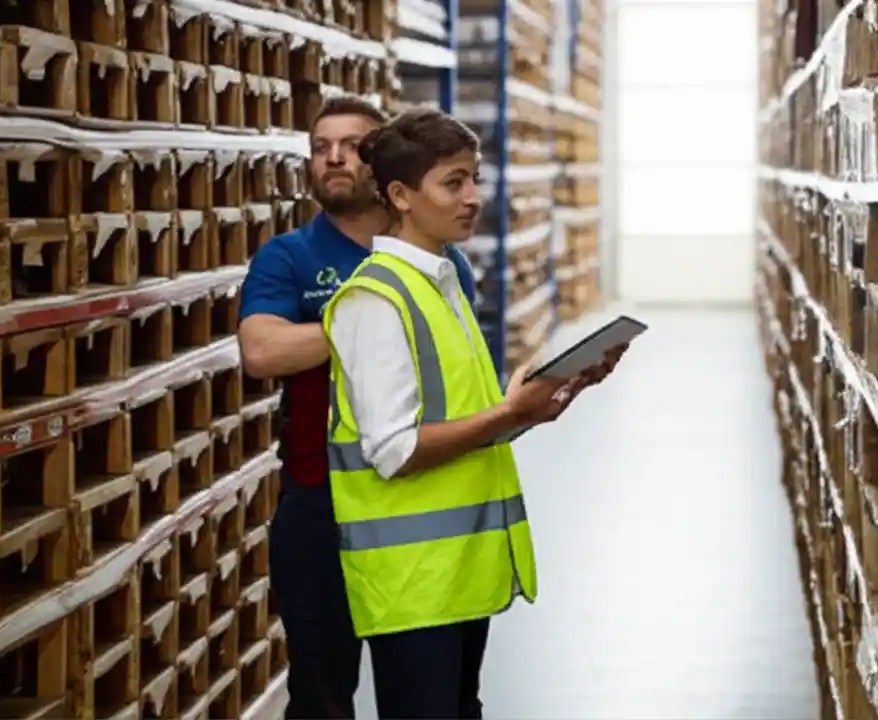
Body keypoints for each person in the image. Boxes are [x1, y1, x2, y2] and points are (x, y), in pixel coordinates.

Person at [320, 108, 625, 718]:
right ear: (401, 196)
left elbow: (462, 412)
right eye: (452, 183)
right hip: (412, 582)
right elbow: (394, 449)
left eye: (474, 179)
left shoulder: (443, 282)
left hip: (457, 575)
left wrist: (542, 398)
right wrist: (511, 412)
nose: (472, 198)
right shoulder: (374, 301)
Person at [237, 96, 481, 719]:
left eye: (352, 145)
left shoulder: (443, 261)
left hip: (414, 506)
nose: (335, 158)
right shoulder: (290, 256)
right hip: (320, 502)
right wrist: (373, 319)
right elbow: (262, 351)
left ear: (388, 173)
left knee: (439, 697)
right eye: (321, 147)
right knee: (321, 695)